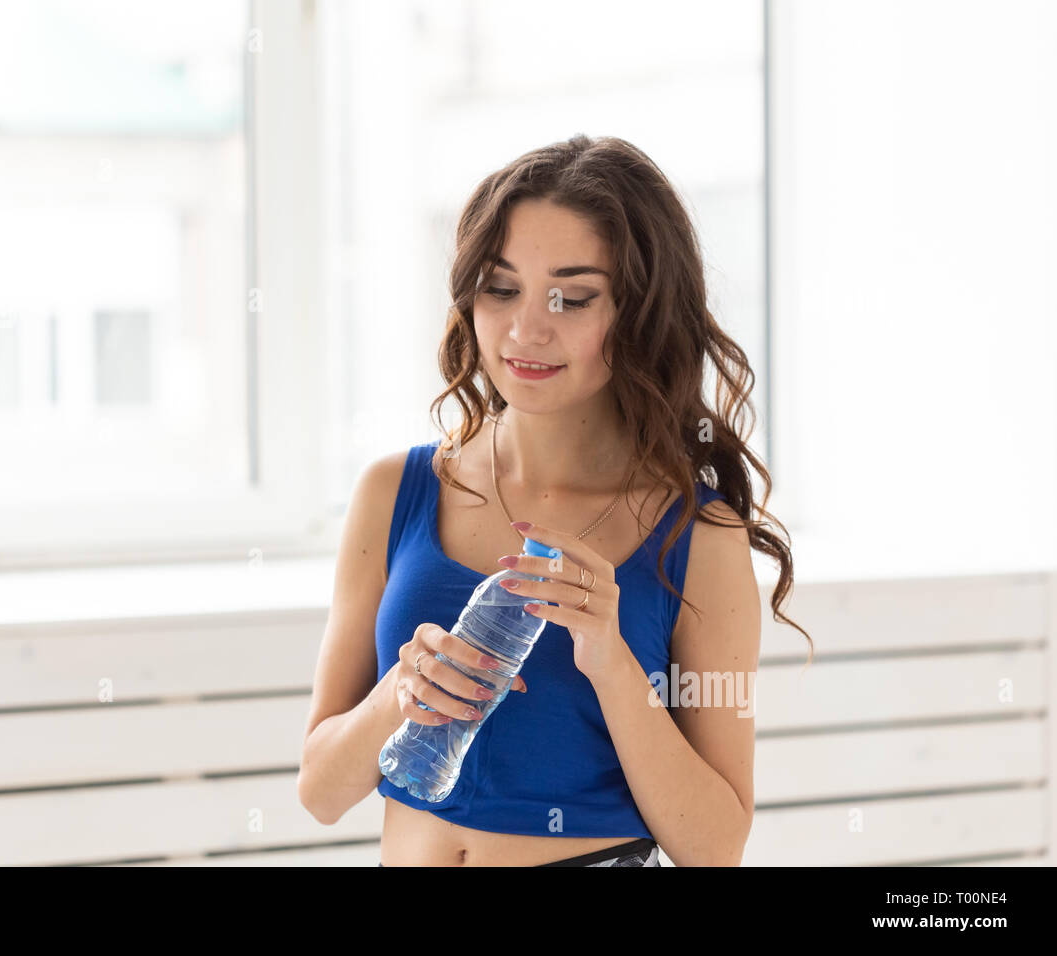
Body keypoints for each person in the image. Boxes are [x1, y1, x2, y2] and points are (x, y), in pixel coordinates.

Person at [297, 134, 812, 866]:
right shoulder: (394, 493)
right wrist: (397, 695)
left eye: (572, 296)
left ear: (638, 312)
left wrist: (611, 660)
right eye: (501, 288)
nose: (524, 328)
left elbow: (715, 845)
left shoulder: (700, 537)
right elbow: (319, 792)